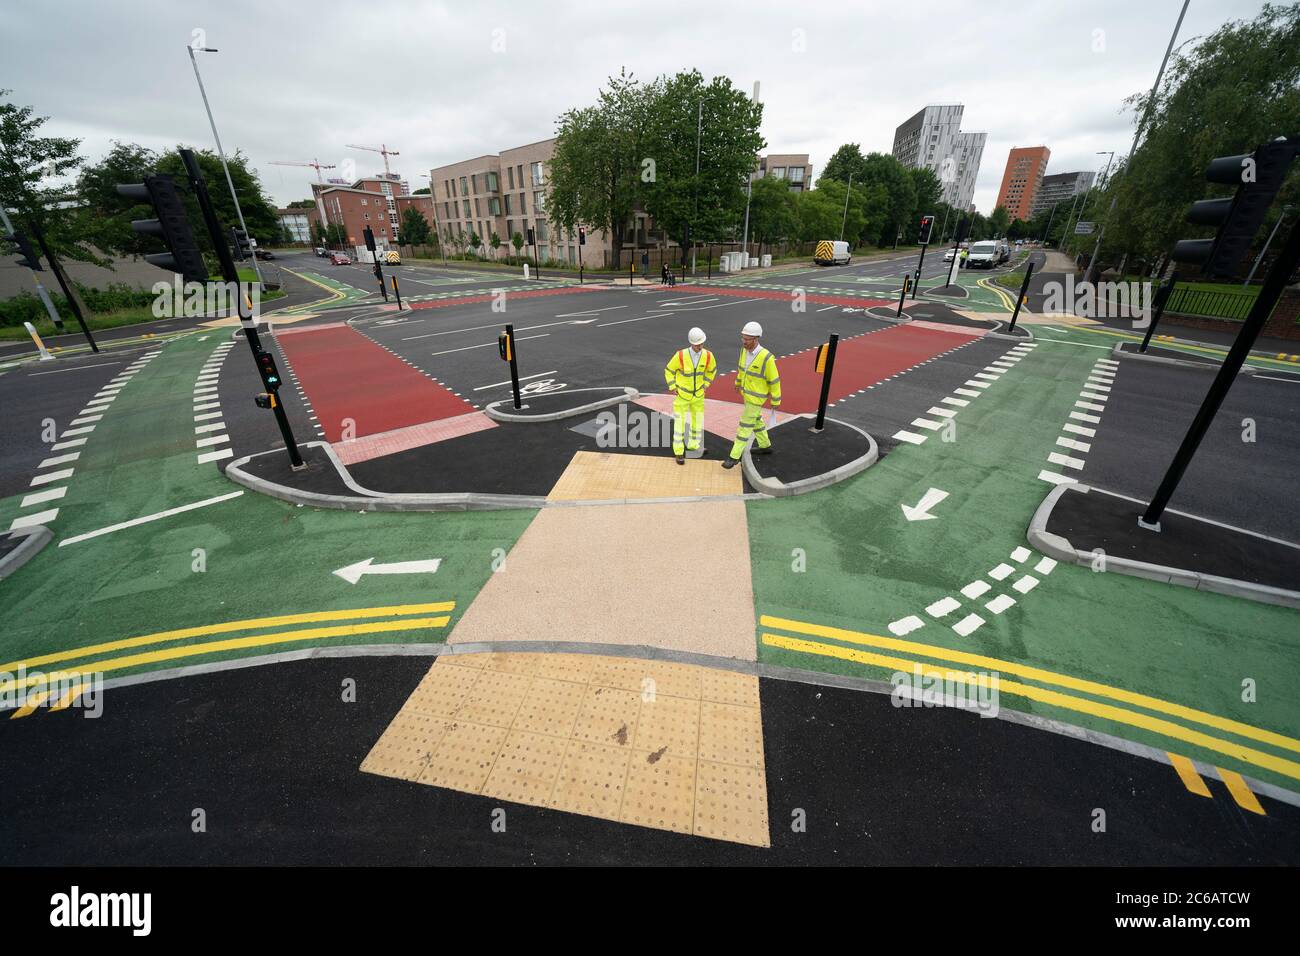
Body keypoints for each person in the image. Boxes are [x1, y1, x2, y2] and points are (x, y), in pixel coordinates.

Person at [723, 321, 781, 469]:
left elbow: (774, 379)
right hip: (746, 394)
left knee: (745, 424)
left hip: (756, 398)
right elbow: (741, 369)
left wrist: (776, 398)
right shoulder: (744, 351)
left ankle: (734, 456)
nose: (744, 341)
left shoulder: (767, 357)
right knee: (756, 420)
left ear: (756, 339)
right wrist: (738, 382)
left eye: (747, 339)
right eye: (743, 338)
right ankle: (765, 445)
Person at [663, 327, 717, 464]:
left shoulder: (708, 356)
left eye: (701, 343)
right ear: (691, 343)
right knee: (680, 424)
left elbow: (712, 371)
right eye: (697, 344)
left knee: (697, 422)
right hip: (682, 395)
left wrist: (705, 384)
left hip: (698, 395)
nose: (700, 346)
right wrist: (672, 386)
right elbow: (669, 370)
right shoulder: (680, 356)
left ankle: (694, 446)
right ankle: (679, 451)